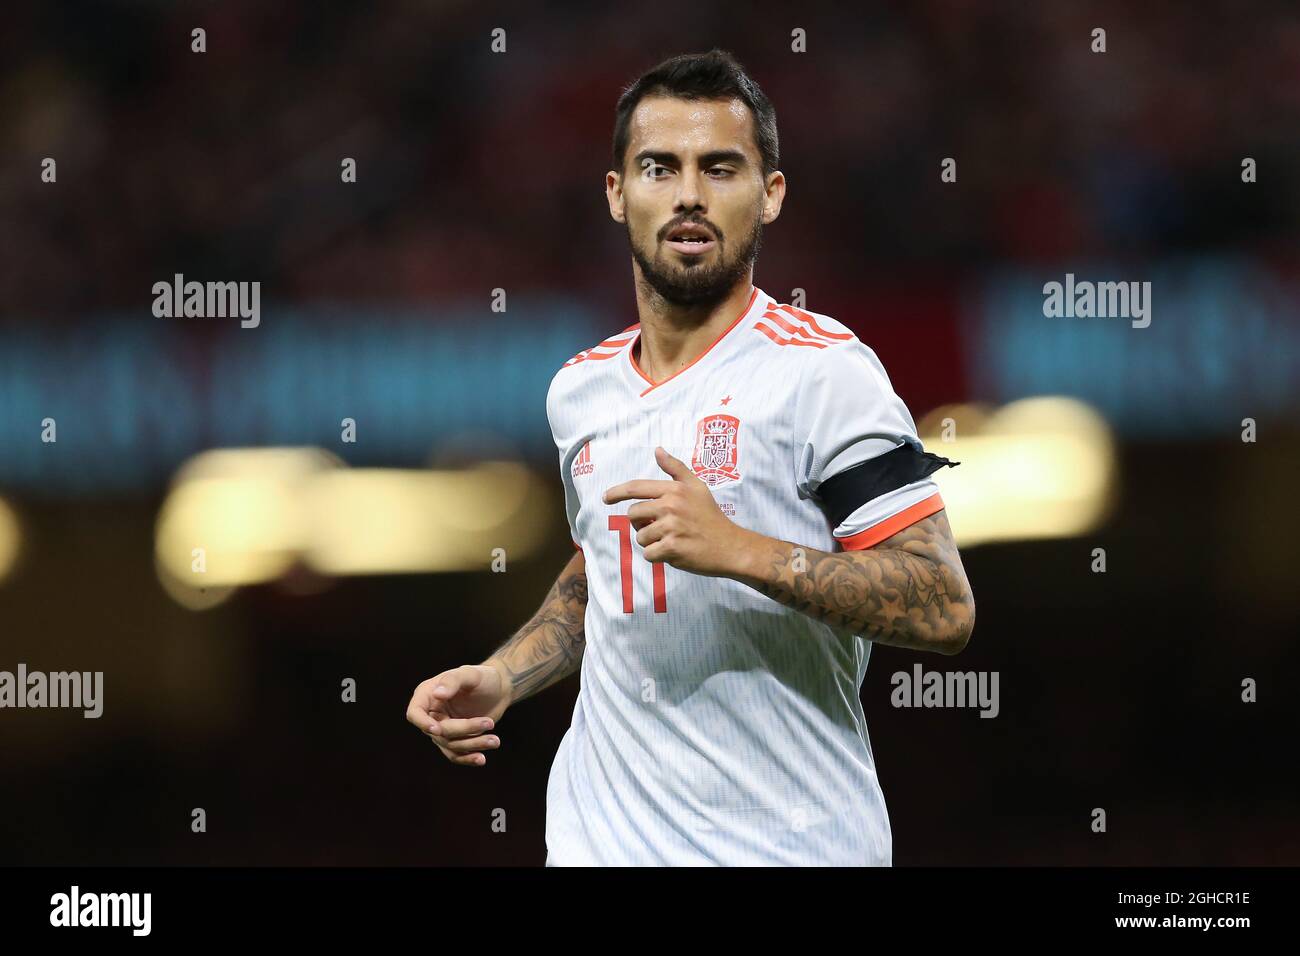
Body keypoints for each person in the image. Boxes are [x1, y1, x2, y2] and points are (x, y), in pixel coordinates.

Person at [406, 49, 974, 865]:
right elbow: (605, 565)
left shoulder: (824, 373)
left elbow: (942, 605)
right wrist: (504, 677)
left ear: (770, 194)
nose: (688, 196)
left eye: (721, 168)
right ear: (617, 193)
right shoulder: (580, 391)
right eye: (657, 167)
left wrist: (741, 551)